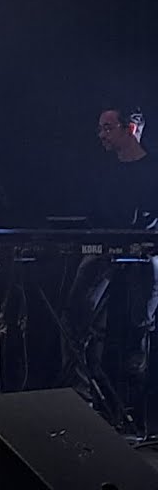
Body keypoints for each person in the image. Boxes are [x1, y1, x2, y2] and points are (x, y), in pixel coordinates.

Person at [62, 105, 158, 390]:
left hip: (147, 248)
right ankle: (82, 389)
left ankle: (137, 379)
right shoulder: (102, 171)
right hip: (103, 248)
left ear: (128, 128)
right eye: (100, 128)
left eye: (108, 128)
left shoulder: (152, 169)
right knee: (75, 312)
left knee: (141, 315)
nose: (102, 135)